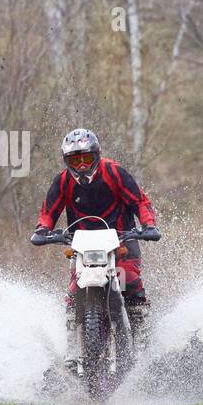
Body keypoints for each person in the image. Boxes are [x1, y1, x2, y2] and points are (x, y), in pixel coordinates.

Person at [31, 128, 160, 366]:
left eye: (86, 159)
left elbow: (140, 201)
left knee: (128, 278)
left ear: (97, 155)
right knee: (72, 291)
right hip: (81, 245)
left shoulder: (114, 172)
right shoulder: (62, 181)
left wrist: (148, 225)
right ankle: (72, 349)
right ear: (66, 161)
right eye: (74, 160)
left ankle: (141, 337)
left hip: (121, 239)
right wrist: (42, 230)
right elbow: (48, 211)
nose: (81, 166)